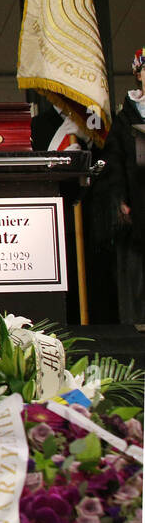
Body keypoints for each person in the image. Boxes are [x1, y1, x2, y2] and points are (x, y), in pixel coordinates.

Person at [102, 47, 145, 327]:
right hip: (138, 206)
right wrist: (120, 198)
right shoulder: (125, 118)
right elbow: (114, 161)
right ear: (138, 74)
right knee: (137, 271)